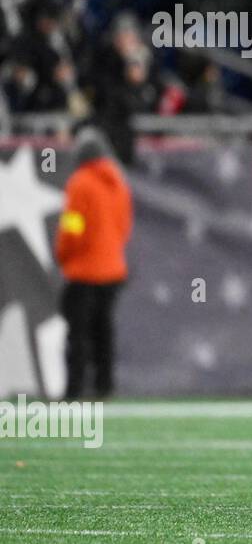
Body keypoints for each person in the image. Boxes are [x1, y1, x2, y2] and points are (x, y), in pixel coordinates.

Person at [56, 126, 133, 399]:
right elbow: (124, 227)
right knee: (104, 330)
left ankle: (75, 388)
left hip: (84, 271)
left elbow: (72, 230)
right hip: (113, 269)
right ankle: (105, 385)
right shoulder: (119, 183)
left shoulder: (80, 183)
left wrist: (63, 255)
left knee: (78, 334)